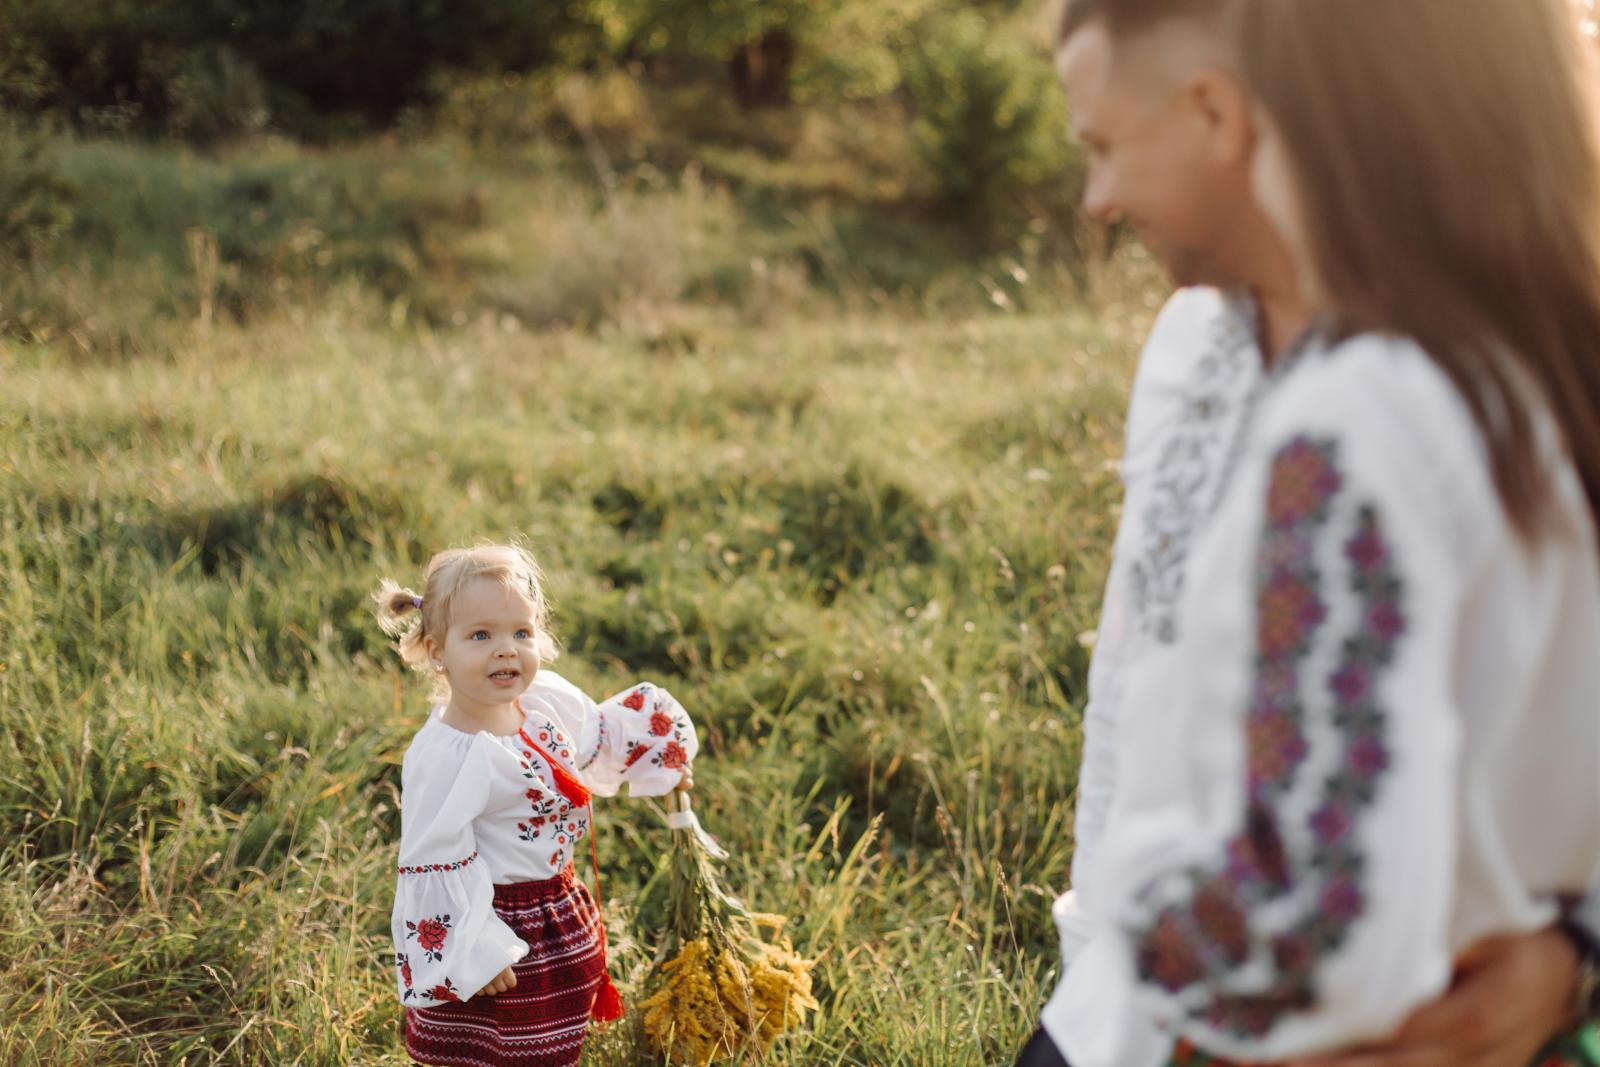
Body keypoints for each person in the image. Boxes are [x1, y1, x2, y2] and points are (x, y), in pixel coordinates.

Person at [1019, 2, 1600, 1065]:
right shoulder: (1509, 365)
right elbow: (1138, 683)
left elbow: (1313, 924)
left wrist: (1574, 949)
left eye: (1103, 147)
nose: (1095, 201)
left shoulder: (1364, 409)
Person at [375, 543, 696, 1067]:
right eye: (480, 635)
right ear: (437, 651)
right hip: (500, 929)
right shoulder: (448, 753)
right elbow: (433, 857)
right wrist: (476, 947)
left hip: (557, 913)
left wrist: (657, 754)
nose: (506, 650)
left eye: (520, 633)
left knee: (553, 1046)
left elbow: (599, 737)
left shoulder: (543, 701)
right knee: (494, 1050)